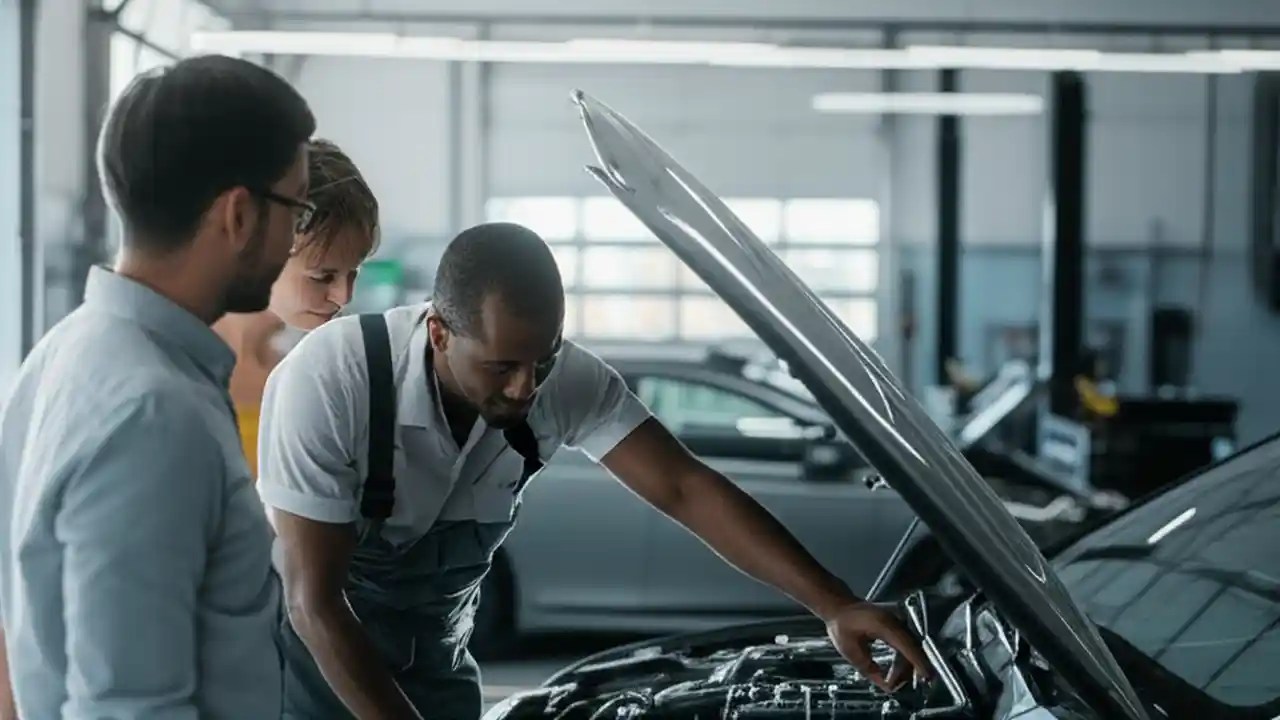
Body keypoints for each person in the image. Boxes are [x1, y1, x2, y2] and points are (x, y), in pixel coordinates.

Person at [257, 222, 932, 719]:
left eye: (542, 360)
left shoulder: (559, 377)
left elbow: (685, 486)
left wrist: (834, 602)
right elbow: (313, 601)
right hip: (311, 675)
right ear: (439, 333)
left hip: (437, 667)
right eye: (501, 368)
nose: (526, 389)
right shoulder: (334, 379)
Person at [0, 54, 315, 719]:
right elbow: (129, 709)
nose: (294, 238)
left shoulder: (63, 353)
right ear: (238, 214)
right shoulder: (152, 414)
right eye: (297, 206)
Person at [214, 137, 380, 478]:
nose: (343, 296)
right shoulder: (180, 363)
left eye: (354, 273)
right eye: (323, 276)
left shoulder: (326, 371)